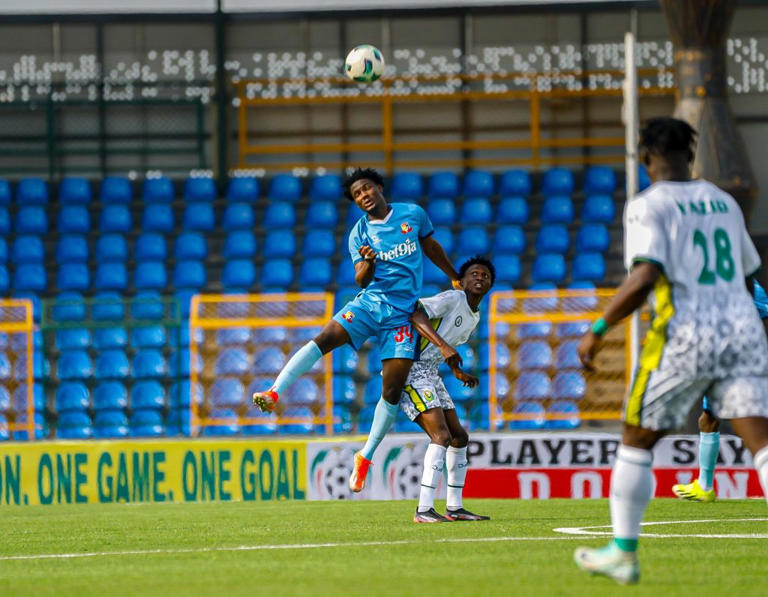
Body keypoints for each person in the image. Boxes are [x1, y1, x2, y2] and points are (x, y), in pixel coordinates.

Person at [572, 117, 768, 585]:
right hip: (741, 329)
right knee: (761, 442)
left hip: (686, 332)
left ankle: (623, 552)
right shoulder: (723, 201)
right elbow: (745, 278)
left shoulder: (649, 205)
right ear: (690, 153)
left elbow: (644, 277)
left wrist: (598, 328)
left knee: (636, 439)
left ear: (645, 157)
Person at [252, 168, 460, 491]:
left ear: (378, 187)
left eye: (366, 189)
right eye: (357, 195)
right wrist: (370, 264)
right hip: (370, 305)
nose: (363, 196)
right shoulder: (359, 233)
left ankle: (365, 456)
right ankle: (275, 391)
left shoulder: (412, 215)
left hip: (402, 318)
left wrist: (452, 274)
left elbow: (431, 247)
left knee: (391, 393)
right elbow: (361, 278)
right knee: (324, 338)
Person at [351, 256, 494, 523]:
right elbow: (415, 312)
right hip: (408, 367)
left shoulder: (474, 317)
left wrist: (457, 371)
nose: (479, 278)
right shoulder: (452, 299)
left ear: (490, 285)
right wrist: (442, 346)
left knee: (459, 437)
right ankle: (424, 509)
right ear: (461, 282)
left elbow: (445, 348)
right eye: (474, 274)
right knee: (440, 435)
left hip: (429, 371)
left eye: (485, 276)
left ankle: (455, 507)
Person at [672, 281, 768, 502]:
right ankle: (704, 486)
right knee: (709, 418)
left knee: (750, 422)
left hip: (741, 362)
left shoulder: (748, 286)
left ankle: (705, 486)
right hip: (720, 360)